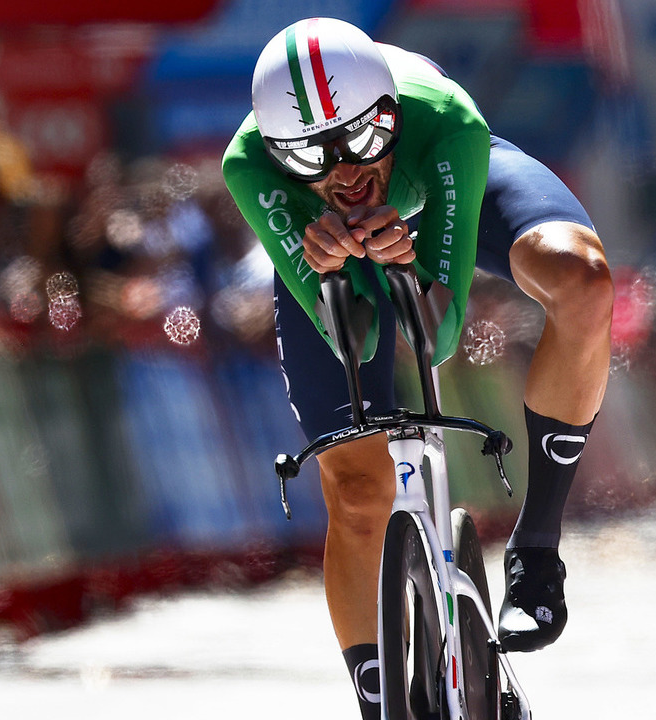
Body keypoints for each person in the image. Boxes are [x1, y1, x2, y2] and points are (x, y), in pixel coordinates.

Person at [222, 18, 612, 720]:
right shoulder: (250, 165)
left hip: (444, 191)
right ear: (280, 155)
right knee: (356, 487)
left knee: (583, 281)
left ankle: (538, 548)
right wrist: (337, 270)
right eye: (312, 159)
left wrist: (406, 259)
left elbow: (440, 339)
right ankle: (378, 702)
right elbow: (360, 338)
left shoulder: (441, 120)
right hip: (333, 257)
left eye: (364, 143)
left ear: (391, 117)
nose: (343, 173)